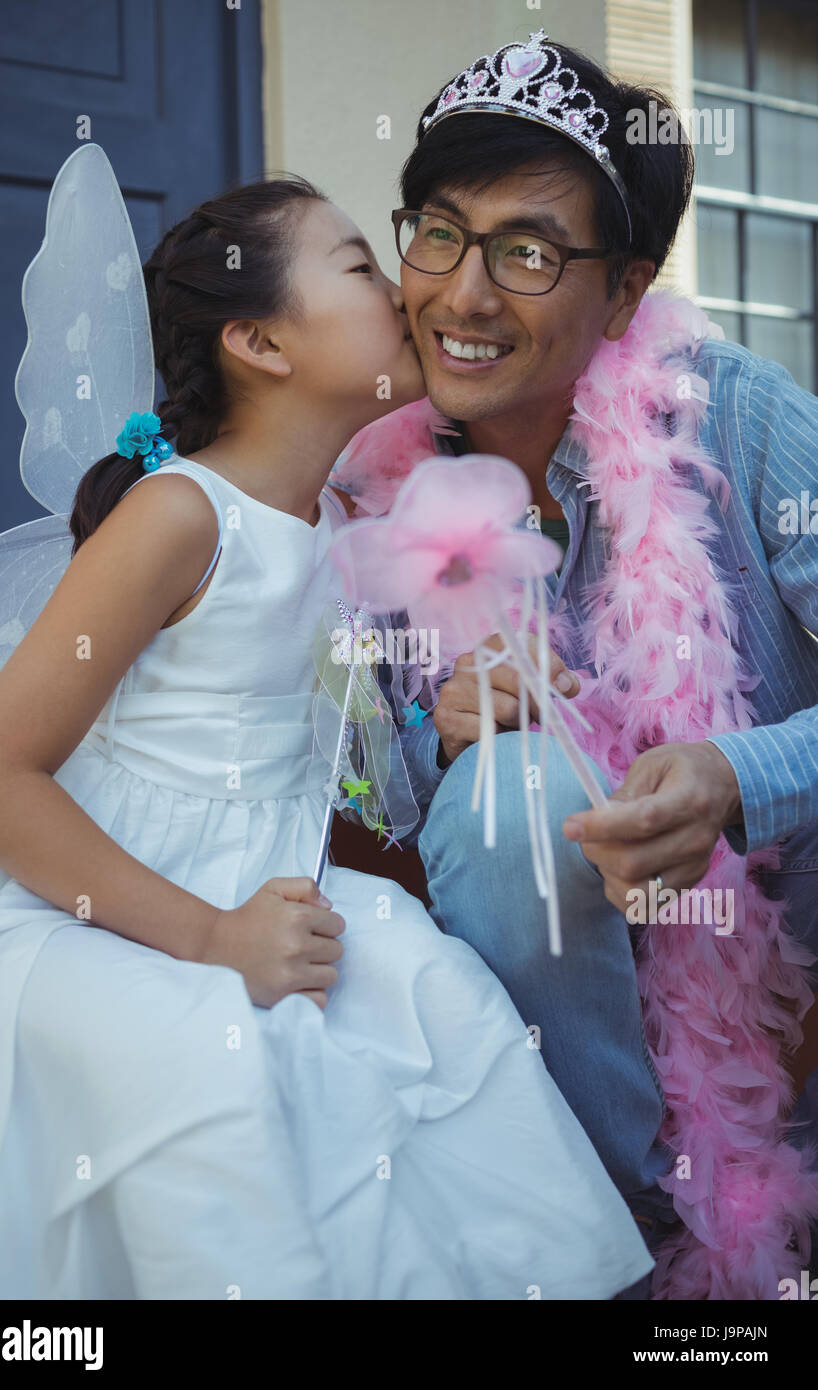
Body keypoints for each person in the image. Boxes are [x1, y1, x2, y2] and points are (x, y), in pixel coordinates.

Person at [0, 147, 653, 1300]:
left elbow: (348, 768)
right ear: (263, 344)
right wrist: (213, 937)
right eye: (359, 265)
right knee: (217, 1076)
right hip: (108, 907)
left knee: (440, 999)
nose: (404, 292)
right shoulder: (178, 518)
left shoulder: (338, 519)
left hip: (278, 895)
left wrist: (464, 697)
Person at [330, 31, 818, 1300]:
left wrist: (735, 772)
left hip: (775, 1019)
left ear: (626, 286)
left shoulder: (740, 418)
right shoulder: (373, 488)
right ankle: (617, 1239)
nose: (462, 294)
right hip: (538, 1082)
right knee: (502, 798)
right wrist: (439, 742)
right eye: (435, 232)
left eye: (528, 251)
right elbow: (364, 815)